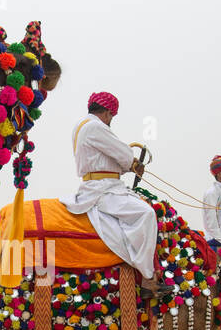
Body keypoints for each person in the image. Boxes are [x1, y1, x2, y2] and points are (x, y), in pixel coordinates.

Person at [62, 92, 159, 290]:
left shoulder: (79, 127)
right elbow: (124, 154)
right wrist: (131, 163)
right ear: (107, 113)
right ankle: (148, 277)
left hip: (100, 186)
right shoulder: (95, 127)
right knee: (147, 214)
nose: (110, 121)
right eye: (111, 117)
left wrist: (127, 164)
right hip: (104, 190)